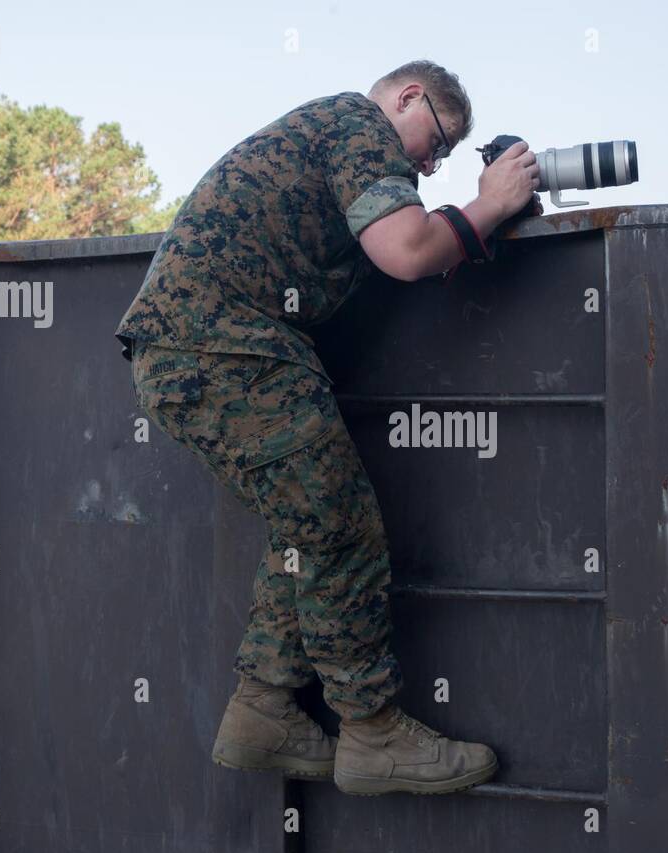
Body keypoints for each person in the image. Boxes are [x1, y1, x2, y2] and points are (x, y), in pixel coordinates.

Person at [113, 60, 540, 796]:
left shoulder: (329, 148)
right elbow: (407, 251)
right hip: (226, 350)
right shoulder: (357, 124)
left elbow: (407, 250)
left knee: (308, 530)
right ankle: (372, 731)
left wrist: (467, 231)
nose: (430, 165)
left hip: (196, 351)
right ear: (407, 99)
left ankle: (265, 709)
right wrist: (490, 204)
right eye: (436, 143)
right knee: (340, 530)